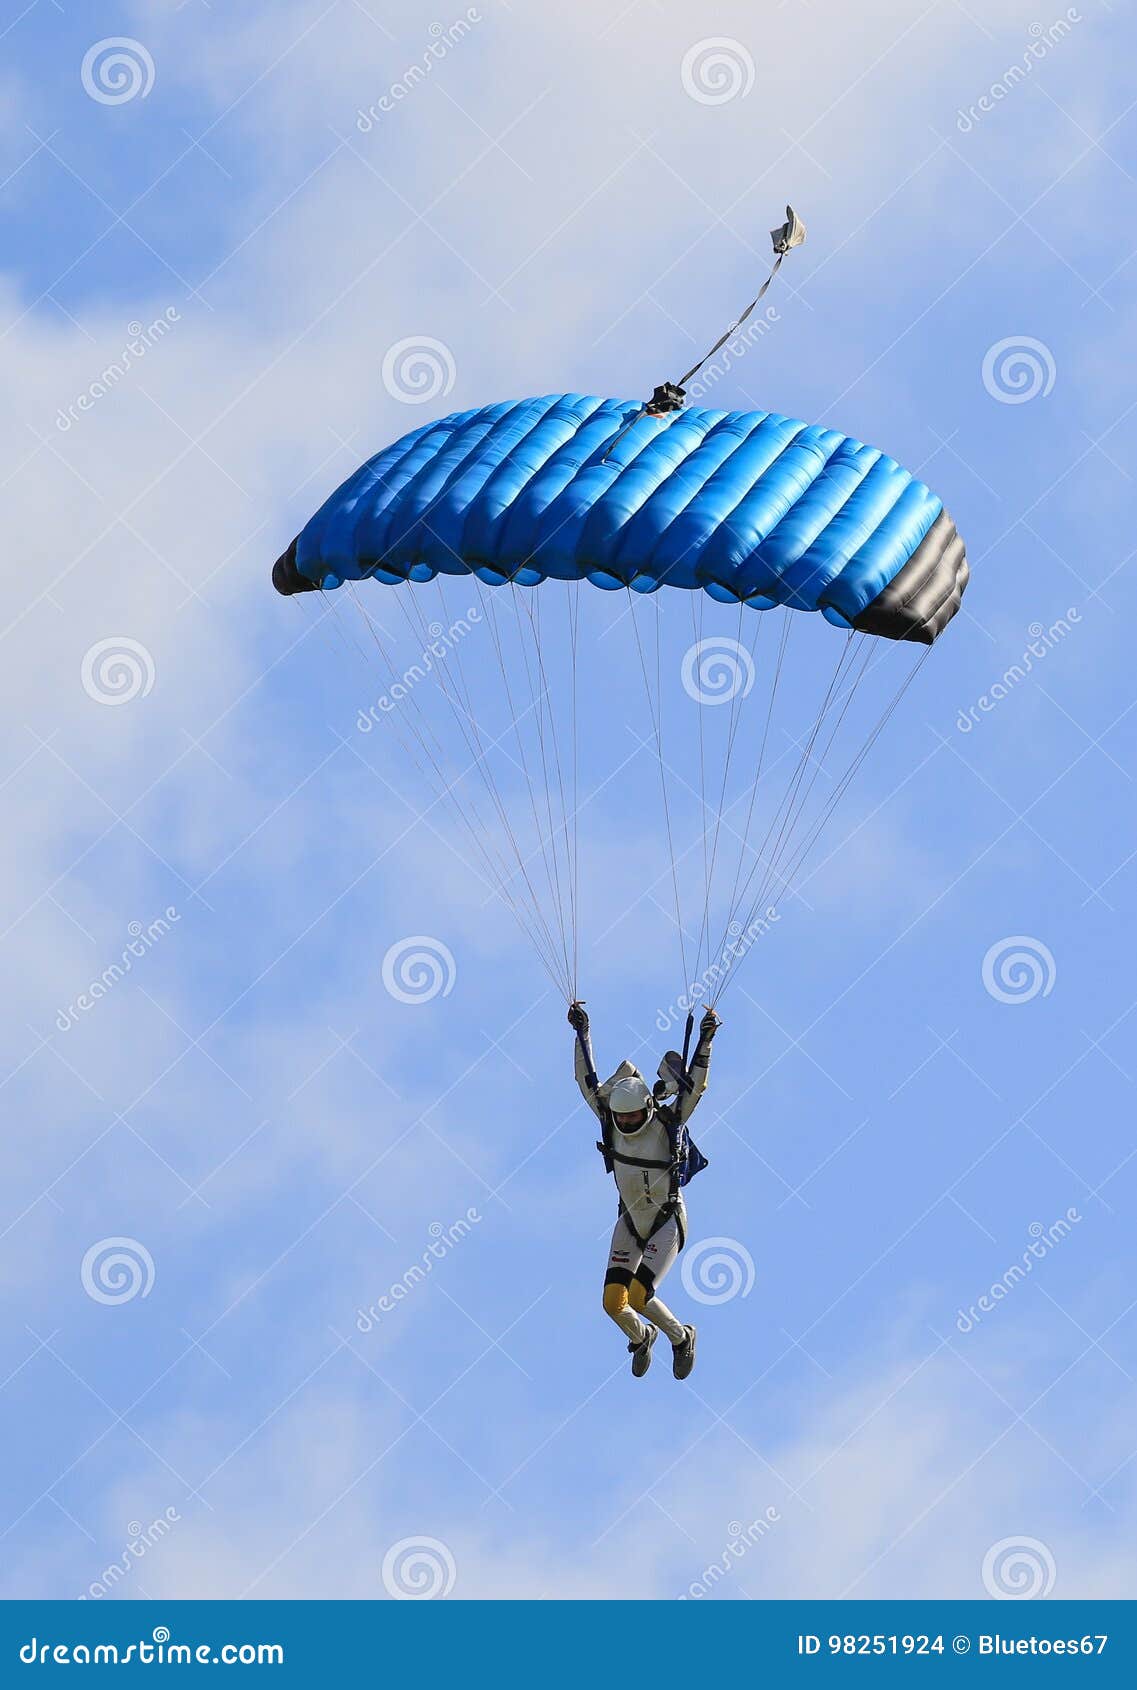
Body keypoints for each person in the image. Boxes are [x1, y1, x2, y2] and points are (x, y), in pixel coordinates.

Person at [568, 1001, 719, 1379]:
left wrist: (706, 1041)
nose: (627, 1121)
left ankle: (681, 1337)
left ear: (647, 1109)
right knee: (612, 1303)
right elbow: (584, 1078)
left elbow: (697, 1086)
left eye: (633, 1115)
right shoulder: (609, 1121)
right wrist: (581, 1031)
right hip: (631, 1220)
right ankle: (642, 1337)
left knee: (639, 1295)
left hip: (667, 1219)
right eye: (622, 1116)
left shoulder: (670, 1122)